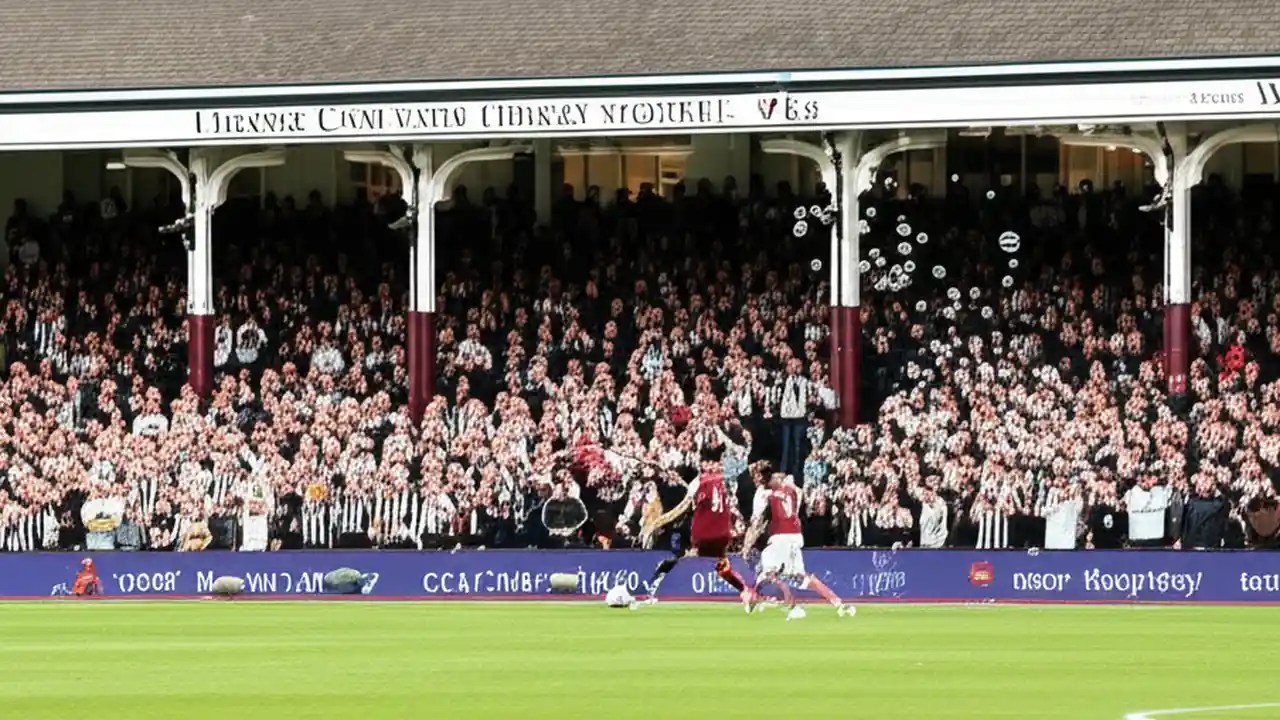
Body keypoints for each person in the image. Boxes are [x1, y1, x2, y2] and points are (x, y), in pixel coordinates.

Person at [636, 457, 753, 609]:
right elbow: (731, 504)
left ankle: (650, 587)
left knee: (682, 557)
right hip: (723, 533)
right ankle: (744, 590)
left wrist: (657, 523)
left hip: (704, 532)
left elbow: (682, 508)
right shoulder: (727, 481)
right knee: (721, 565)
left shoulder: (698, 481)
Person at [743, 472, 854, 621]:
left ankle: (790, 607)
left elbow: (757, 521)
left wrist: (748, 543)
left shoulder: (768, 495)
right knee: (802, 577)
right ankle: (838, 604)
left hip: (781, 539)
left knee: (770, 574)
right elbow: (798, 497)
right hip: (795, 537)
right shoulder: (793, 491)